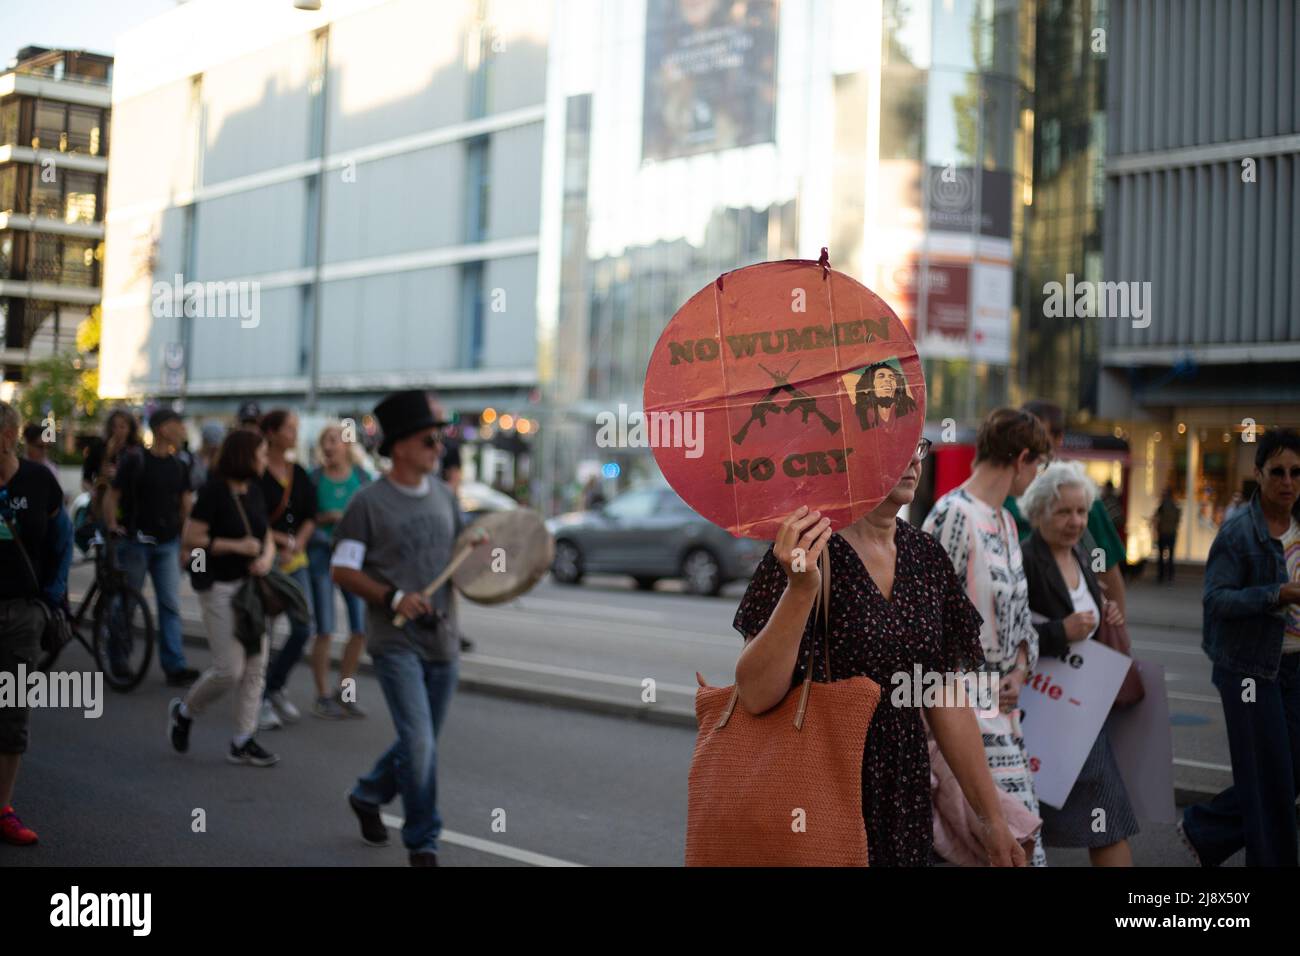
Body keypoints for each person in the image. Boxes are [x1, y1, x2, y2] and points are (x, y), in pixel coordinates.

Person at [733, 437, 1026, 867]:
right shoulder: (809, 547)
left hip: (903, 800)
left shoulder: (925, 556)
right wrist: (801, 588)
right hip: (818, 790)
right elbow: (754, 693)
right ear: (852, 453)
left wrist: (992, 820)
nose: (912, 459)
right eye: (895, 443)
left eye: (918, 444)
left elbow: (942, 695)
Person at [332, 390, 479, 866]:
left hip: (443, 640)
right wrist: (392, 596)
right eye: (428, 439)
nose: (439, 447)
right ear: (398, 446)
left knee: (422, 743)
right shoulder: (367, 504)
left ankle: (369, 794)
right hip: (396, 641)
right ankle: (423, 841)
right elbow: (342, 570)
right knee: (418, 742)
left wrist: (486, 553)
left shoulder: (443, 496)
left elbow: (460, 556)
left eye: (439, 438)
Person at [922, 407, 1052, 866]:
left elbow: (1018, 618)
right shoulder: (953, 515)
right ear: (1021, 459)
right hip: (966, 714)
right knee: (1005, 846)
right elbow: (925, 619)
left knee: (1015, 844)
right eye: (1039, 464)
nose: (1037, 475)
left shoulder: (1007, 521)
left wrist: (1020, 667)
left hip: (1004, 715)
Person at [1180, 428, 1300, 866]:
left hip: (1294, 667)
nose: (1287, 482)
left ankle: (1204, 828)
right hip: (1249, 670)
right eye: (1278, 472)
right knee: (1271, 779)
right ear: (1259, 474)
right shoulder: (1238, 533)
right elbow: (1216, 600)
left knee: (1283, 776)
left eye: (1296, 472)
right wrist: (1277, 594)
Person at [1020, 461, 1138, 866]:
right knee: (1038, 820)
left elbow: (1088, 616)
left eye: (1082, 511)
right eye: (1064, 512)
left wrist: (1108, 616)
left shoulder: (1084, 556)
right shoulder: (1025, 561)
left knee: (1104, 820)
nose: (1076, 521)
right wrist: (1061, 630)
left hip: (1080, 712)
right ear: (1038, 513)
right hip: (1044, 714)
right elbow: (1004, 640)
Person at [168, 429, 278, 767]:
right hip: (219, 587)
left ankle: (243, 740)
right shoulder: (214, 492)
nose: (264, 458)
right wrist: (236, 547)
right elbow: (192, 540)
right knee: (229, 670)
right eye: (260, 453)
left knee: (256, 667)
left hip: (250, 590)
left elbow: (267, 536)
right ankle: (185, 711)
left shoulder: (256, 492)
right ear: (243, 455)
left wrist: (266, 558)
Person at [0, 400, 69, 845]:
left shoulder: (39, 480)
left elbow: (62, 544)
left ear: (6, 437)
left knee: (11, 715)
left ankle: (2, 809)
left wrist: (48, 602)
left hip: (22, 614)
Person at [1005, 400, 1131, 619]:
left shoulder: (1083, 498)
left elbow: (1107, 568)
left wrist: (1115, 634)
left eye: (1038, 436)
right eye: (1022, 437)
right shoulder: (1006, 494)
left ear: (1058, 439)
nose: (1029, 446)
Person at [104, 408, 200, 686]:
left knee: (170, 604)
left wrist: (186, 544)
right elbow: (113, 495)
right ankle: (118, 658)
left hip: (168, 544)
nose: (181, 428)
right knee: (127, 603)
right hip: (135, 542)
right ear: (160, 428)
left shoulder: (179, 465)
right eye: (176, 423)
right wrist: (112, 524)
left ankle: (175, 665)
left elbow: (186, 507)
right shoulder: (136, 460)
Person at [256, 409, 317, 730]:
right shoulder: (257, 470)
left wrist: (298, 544)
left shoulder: (299, 472)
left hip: (295, 562)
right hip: (264, 562)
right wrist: (279, 541)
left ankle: (274, 686)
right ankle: (260, 700)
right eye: (289, 428)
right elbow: (251, 517)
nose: (294, 433)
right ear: (272, 432)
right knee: (263, 633)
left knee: (303, 627)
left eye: (296, 427)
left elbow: (311, 515)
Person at [306, 422, 370, 719]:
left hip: (354, 562)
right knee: (325, 629)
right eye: (324, 441)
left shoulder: (362, 477)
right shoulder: (314, 478)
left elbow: (373, 516)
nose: (328, 446)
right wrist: (323, 519)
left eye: (333, 440)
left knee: (360, 630)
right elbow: (303, 519)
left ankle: (346, 693)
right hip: (321, 560)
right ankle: (322, 696)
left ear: (346, 444)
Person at [1152, 489, 1182, 584]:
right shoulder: (1175, 506)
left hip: (1163, 533)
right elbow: (1178, 520)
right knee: (1171, 556)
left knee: (1161, 556)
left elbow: (1156, 518)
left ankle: (1161, 576)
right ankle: (1170, 575)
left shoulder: (1162, 506)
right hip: (1172, 534)